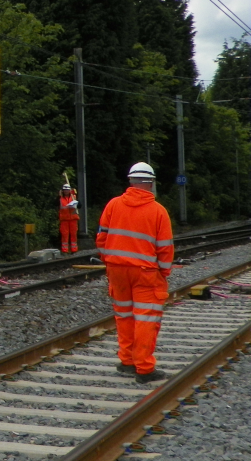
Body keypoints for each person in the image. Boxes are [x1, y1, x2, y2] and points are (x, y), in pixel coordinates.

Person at [96, 162, 174, 383]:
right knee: (145, 318)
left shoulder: (113, 205)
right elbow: (165, 247)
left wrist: (109, 261)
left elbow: (101, 238)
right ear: (151, 183)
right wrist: (163, 272)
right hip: (145, 273)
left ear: (130, 181)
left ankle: (127, 361)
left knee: (124, 316)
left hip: (116, 270)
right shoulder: (158, 211)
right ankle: (144, 368)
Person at [58, 183, 80, 254]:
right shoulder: (60, 199)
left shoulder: (74, 197)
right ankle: (65, 250)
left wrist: (76, 204)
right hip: (64, 219)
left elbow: (80, 205)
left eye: (67, 190)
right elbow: (56, 204)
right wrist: (58, 196)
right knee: (64, 235)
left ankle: (74, 249)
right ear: (63, 191)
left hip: (73, 219)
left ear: (69, 190)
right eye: (65, 190)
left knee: (73, 234)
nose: (66, 191)